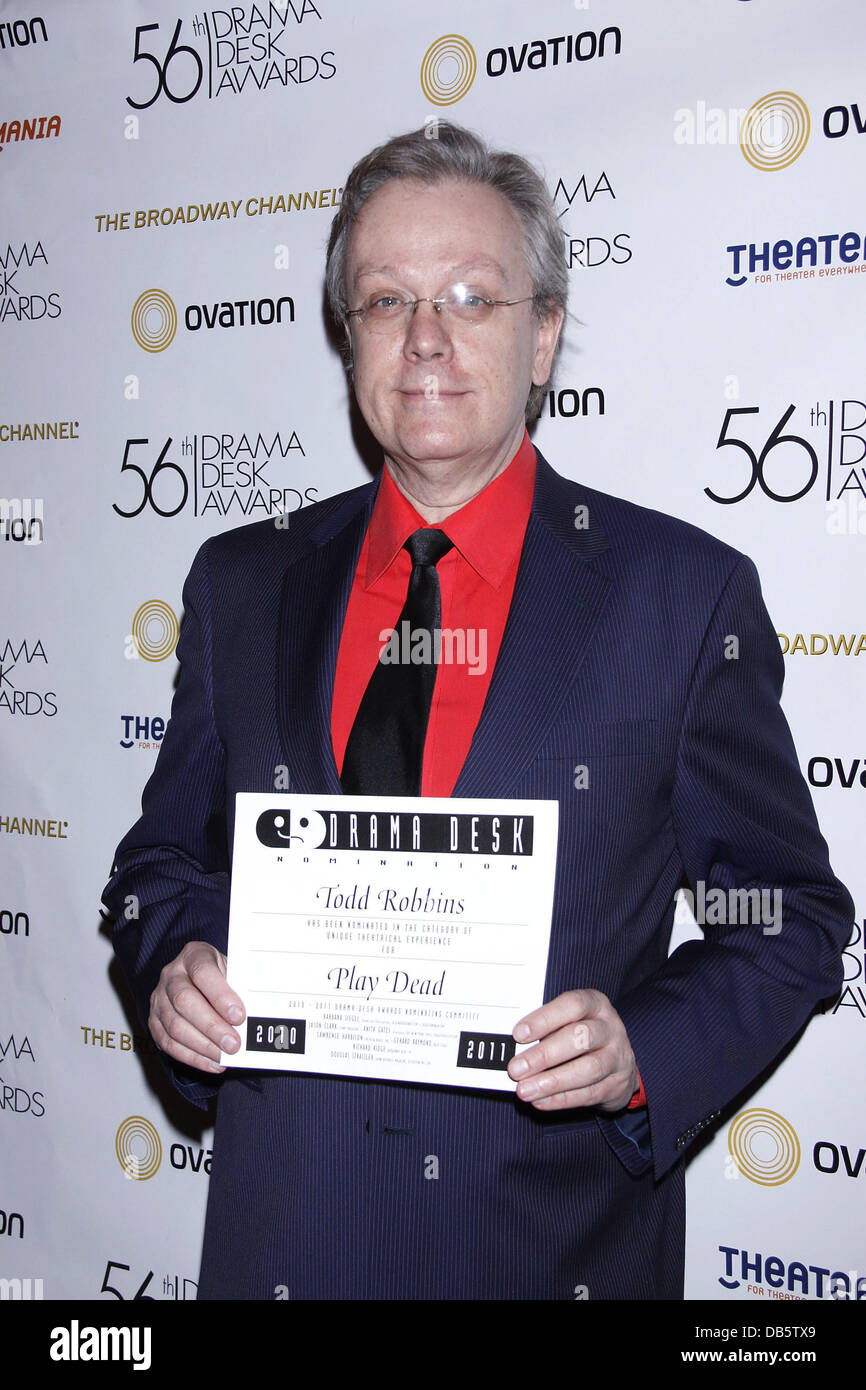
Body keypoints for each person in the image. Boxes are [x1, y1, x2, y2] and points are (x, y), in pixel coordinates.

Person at [104, 123, 852, 1301]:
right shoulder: (240, 583)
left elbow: (789, 913)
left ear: (543, 332)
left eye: (471, 296)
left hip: (542, 1256)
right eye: (385, 298)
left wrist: (640, 1050)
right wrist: (177, 960)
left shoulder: (677, 593)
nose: (426, 339)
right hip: (281, 1245)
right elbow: (160, 860)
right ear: (348, 337)